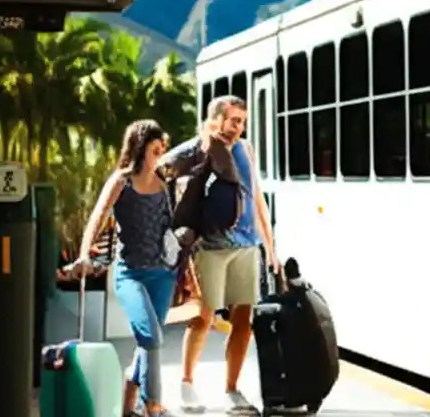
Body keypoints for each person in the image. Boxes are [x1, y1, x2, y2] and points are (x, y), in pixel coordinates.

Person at [157, 95, 278, 414]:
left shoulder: (246, 149)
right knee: (203, 318)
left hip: (246, 246)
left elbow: (256, 198)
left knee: (244, 321)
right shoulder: (200, 147)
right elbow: (162, 169)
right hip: (210, 248)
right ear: (218, 120)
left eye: (243, 121)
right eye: (234, 120)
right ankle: (186, 383)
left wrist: (271, 246)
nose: (240, 127)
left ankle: (232, 389)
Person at [70, 119, 180, 417]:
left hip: (163, 274)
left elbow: (173, 230)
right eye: (155, 150)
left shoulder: (164, 183)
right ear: (140, 148)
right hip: (130, 274)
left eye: (162, 150)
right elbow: (98, 215)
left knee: (148, 343)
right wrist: (83, 255)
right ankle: (154, 406)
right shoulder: (122, 181)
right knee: (151, 338)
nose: (159, 155)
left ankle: (128, 407)